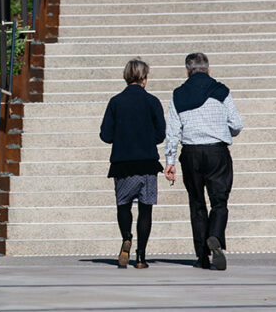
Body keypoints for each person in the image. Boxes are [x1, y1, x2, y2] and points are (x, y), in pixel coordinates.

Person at [163, 52, 243, 271]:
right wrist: (220, 130)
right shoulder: (221, 90)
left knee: (197, 204)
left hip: (191, 154)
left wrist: (169, 161)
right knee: (219, 202)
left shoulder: (178, 94)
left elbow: (172, 132)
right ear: (209, 70)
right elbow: (237, 124)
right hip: (217, 152)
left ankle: (201, 258)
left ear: (187, 71)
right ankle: (215, 236)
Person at [99, 58, 166, 269]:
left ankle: (126, 237)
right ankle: (141, 257)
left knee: (124, 205)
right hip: (147, 163)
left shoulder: (116, 102)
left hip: (123, 164)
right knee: (145, 211)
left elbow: (105, 135)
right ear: (144, 77)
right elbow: (160, 135)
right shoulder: (153, 101)